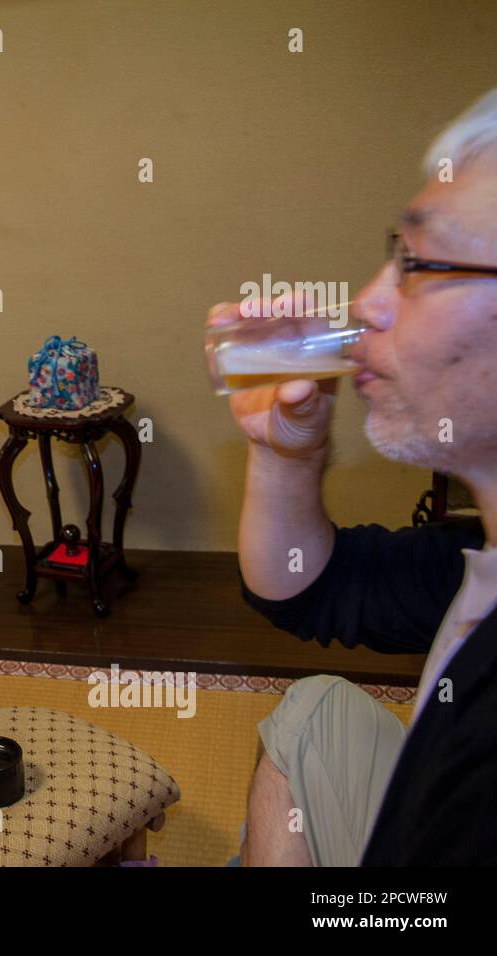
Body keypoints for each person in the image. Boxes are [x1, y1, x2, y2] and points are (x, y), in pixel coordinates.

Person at [214, 87, 497, 866]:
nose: (369, 302)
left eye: (417, 263)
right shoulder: (476, 561)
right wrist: (287, 451)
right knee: (313, 710)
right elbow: (308, 587)